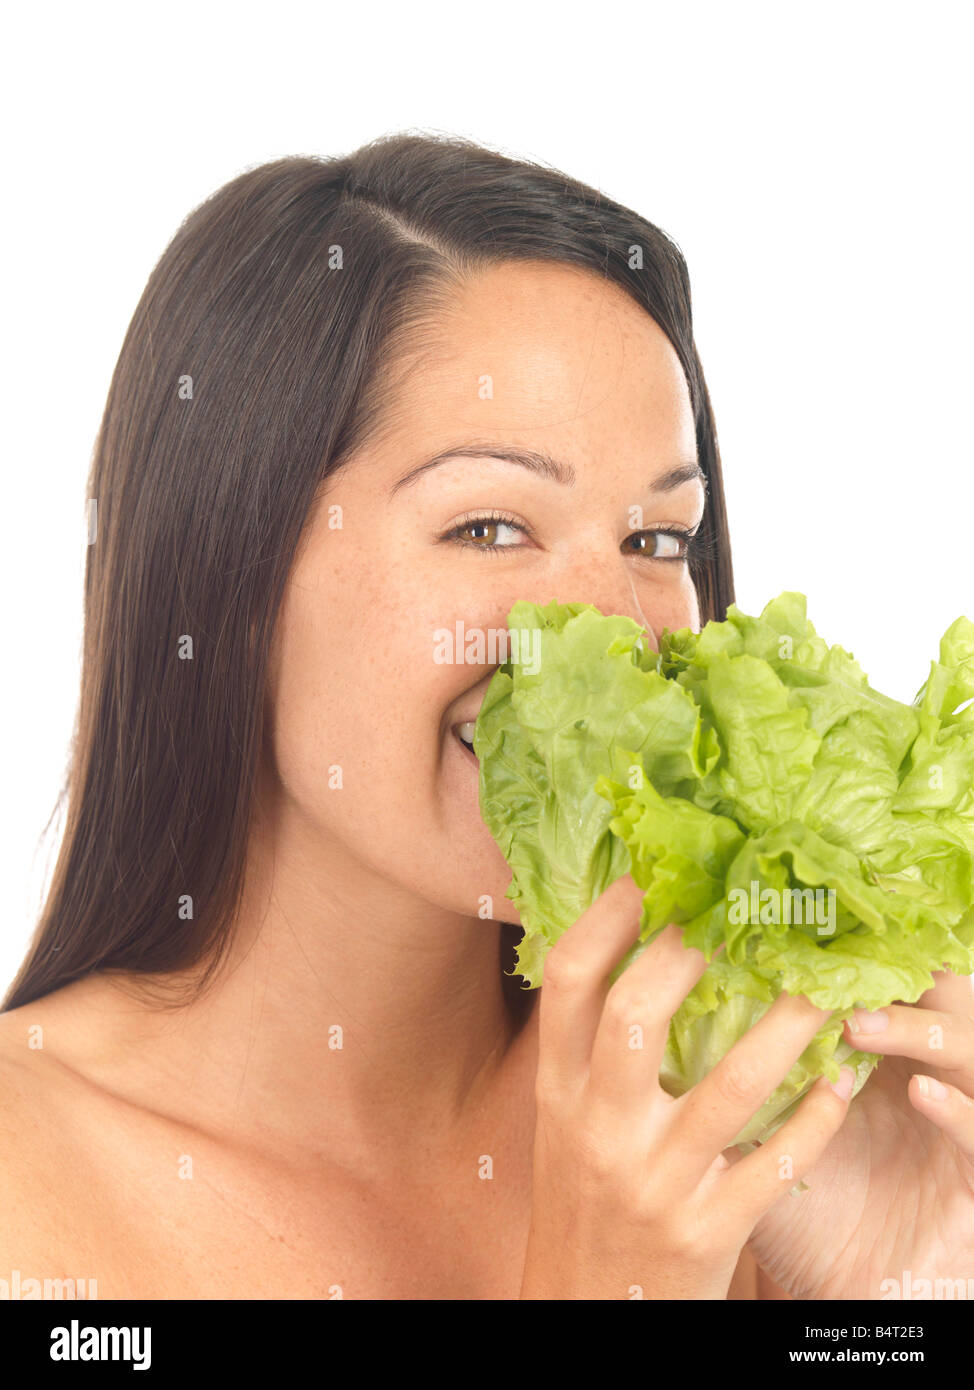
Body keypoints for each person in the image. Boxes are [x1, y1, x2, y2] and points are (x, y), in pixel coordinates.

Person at [2, 133, 970, 1300]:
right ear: (229, 572)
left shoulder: (748, 1106)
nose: (613, 634)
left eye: (656, 539)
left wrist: (891, 1298)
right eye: (489, 526)